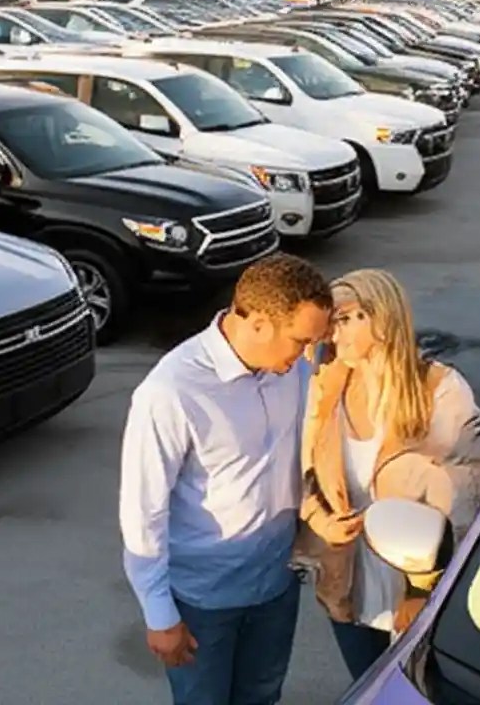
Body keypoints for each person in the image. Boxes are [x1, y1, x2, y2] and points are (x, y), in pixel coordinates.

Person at [119, 253, 333, 705]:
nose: (307, 356)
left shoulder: (292, 369)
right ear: (257, 324)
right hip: (203, 602)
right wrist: (160, 614)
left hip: (276, 585)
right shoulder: (171, 392)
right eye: (300, 341)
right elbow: (143, 511)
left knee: (262, 696)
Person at [293, 268, 480, 681]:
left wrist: (423, 590)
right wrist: (320, 522)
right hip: (346, 583)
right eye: (334, 322)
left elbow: (472, 489)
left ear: (383, 316)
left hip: (417, 590)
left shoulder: (438, 389)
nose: (337, 333)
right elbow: (303, 473)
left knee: (418, 689)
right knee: (368, 686)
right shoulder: (325, 389)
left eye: (349, 319)